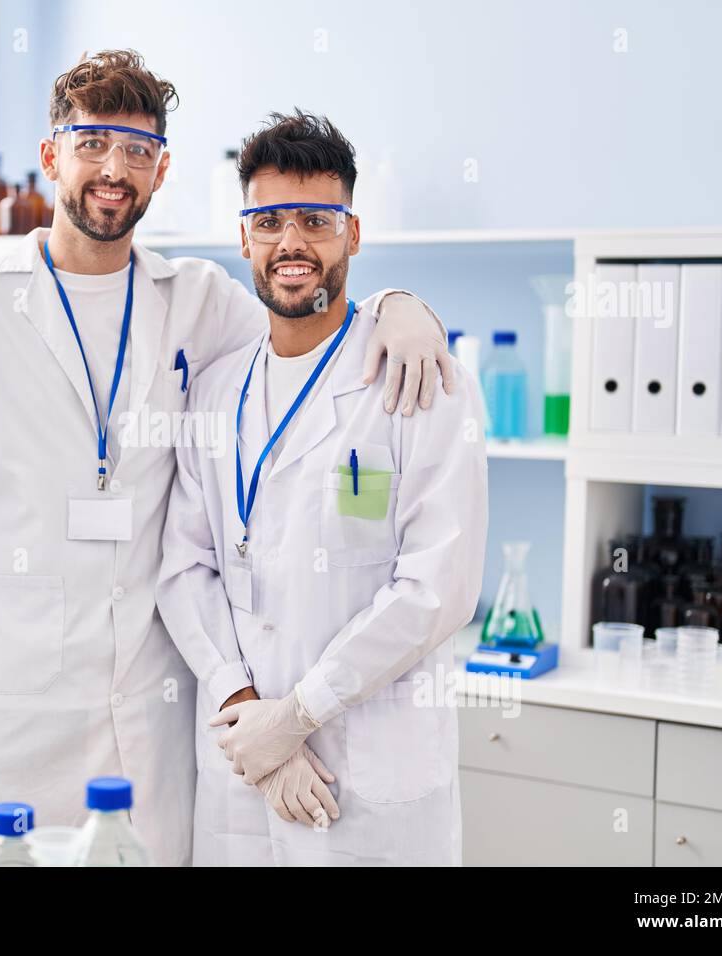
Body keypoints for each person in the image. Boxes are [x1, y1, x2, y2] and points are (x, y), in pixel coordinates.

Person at [0, 51, 454, 866]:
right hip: (10, 702)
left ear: (161, 171)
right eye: (93, 145)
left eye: (138, 152)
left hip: (153, 706)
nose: (114, 171)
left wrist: (401, 304)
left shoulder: (200, 299)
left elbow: (308, 310)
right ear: (52, 156)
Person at [157, 111, 488, 866]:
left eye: (316, 219)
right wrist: (252, 718)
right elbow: (185, 567)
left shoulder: (419, 379)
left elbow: (437, 588)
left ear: (353, 234)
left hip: (369, 776)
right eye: (269, 221)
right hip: (244, 768)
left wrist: (300, 715)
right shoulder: (215, 393)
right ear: (244, 238)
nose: (292, 243)